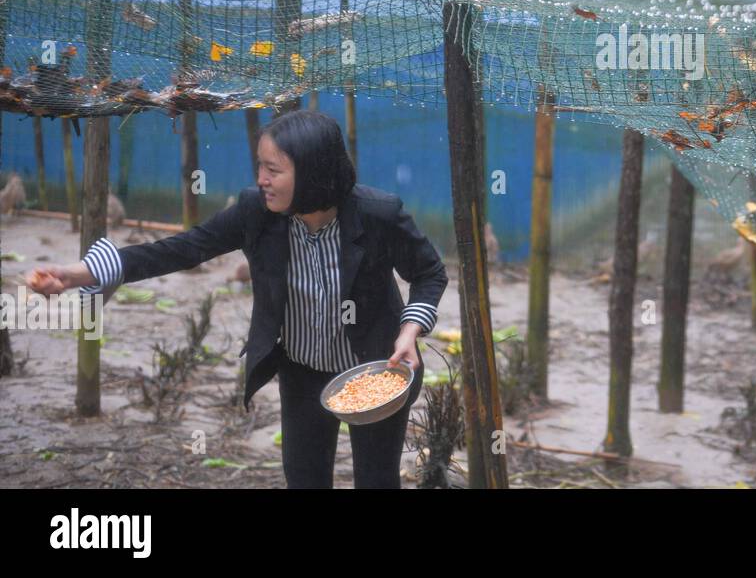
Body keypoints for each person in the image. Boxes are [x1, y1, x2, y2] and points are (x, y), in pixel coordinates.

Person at [28, 109, 449, 489]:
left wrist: (409, 331)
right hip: (302, 371)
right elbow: (183, 249)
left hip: (377, 371)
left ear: (313, 173)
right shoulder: (256, 213)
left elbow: (429, 272)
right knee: (304, 480)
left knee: (376, 481)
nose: (261, 180)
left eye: (273, 170)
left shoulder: (378, 215)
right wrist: (79, 274)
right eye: (260, 168)